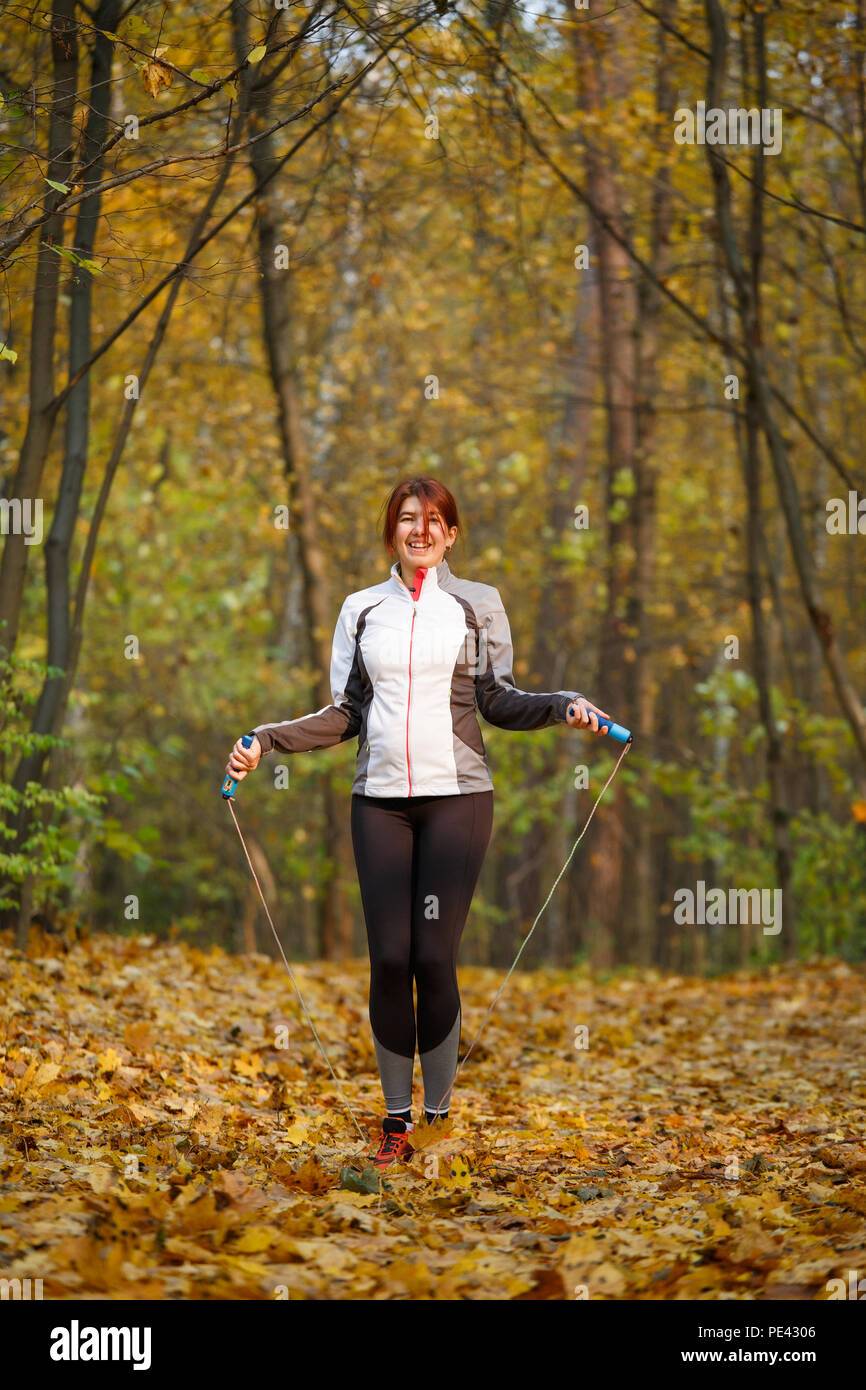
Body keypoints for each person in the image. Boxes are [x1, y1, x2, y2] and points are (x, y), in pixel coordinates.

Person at [225, 476, 611, 1169]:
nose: (421, 530)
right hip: (379, 803)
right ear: (392, 532)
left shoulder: (477, 605)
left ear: (452, 534)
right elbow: (345, 711)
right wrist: (267, 737)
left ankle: (437, 1118)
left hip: (457, 799)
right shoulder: (361, 610)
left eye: (434, 520)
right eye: (408, 519)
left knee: (433, 957)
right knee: (391, 958)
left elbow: (498, 699)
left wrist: (561, 704)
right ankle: (395, 1123)